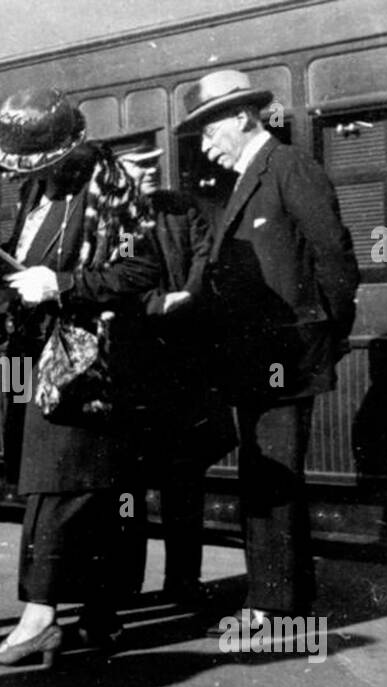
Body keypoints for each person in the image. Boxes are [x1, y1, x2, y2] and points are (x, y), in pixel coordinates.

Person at [0, 89, 161, 666]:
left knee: (66, 484)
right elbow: (24, 255)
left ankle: (43, 617)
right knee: (79, 484)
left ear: (68, 150)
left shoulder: (116, 186)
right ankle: (99, 615)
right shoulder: (44, 186)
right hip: (46, 353)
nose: (29, 178)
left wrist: (61, 285)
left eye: (38, 166)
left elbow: (143, 268)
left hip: (95, 361)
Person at [174, 70, 360, 628]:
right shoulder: (252, 176)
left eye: (210, 133)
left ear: (239, 119)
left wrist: (321, 333)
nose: (207, 147)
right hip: (257, 356)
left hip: (287, 354)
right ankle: (276, 598)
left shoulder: (288, 167)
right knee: (262, 475)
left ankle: (276, 608)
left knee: (272, 475)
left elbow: (336, 259)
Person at [116, 144, 237, 610]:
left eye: (152, 165)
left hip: (184, 371)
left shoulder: (182, 209)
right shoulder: (110, 221)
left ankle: (182, 583)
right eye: (137, 167)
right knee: (126, 488)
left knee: (184, 484)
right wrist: (154, 305)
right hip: (134, 371)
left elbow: (206, 260)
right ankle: (125, 585)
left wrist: (185, 297)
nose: (150, 172)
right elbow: (110, 279)